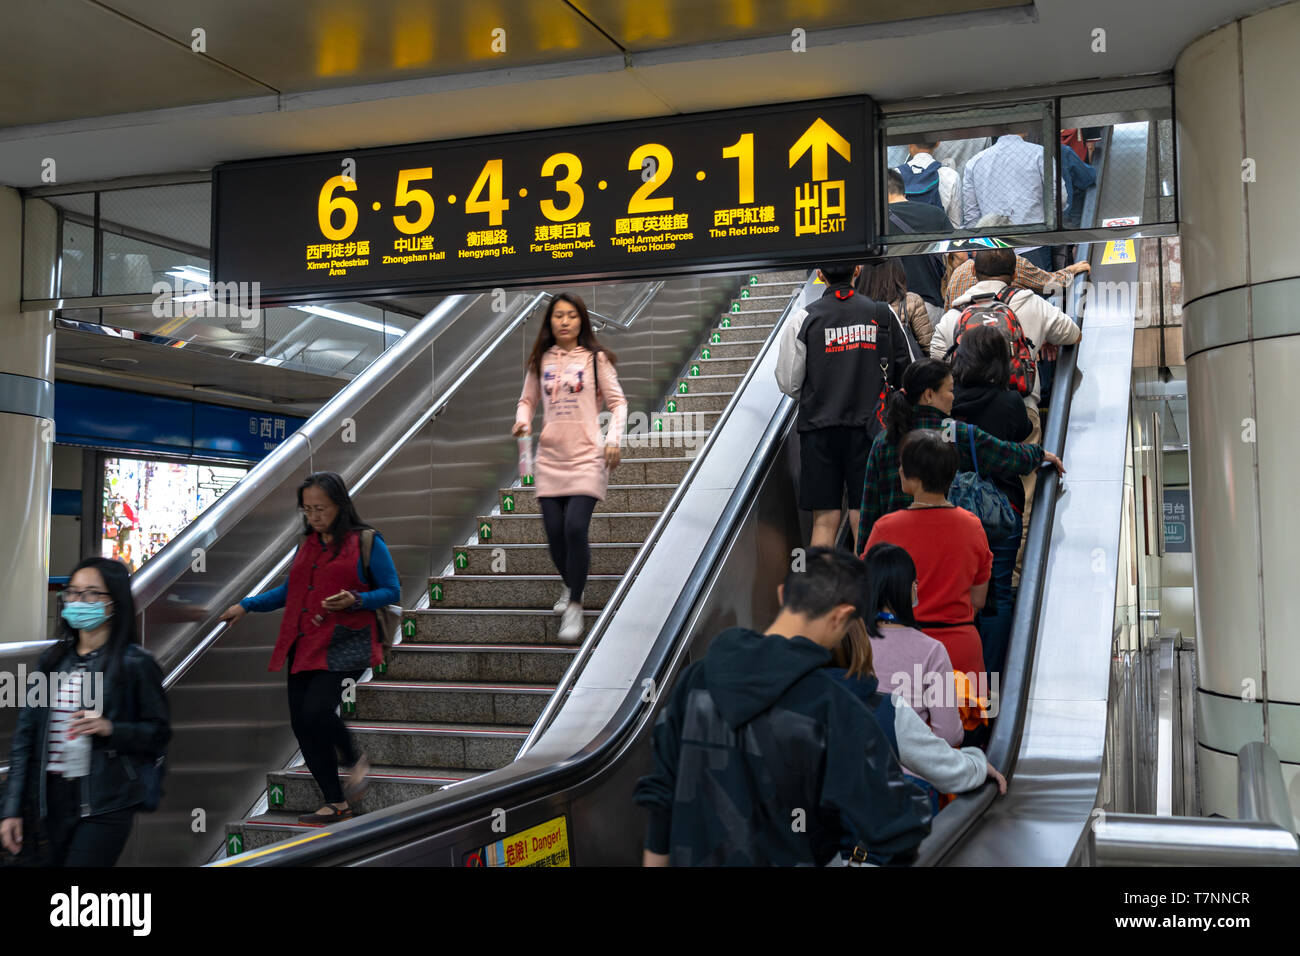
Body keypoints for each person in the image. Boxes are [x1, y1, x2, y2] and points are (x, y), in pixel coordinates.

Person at [633, 548, 932, 866]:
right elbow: (893, 823)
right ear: (842, 616)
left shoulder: (695, 681)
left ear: (782, 595)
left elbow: (662, 795)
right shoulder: (834, 708)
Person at [219, 472, 400, 825]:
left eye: (321, 508)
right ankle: (335, 802)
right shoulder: (308, 546)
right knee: (302, 724)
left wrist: (356, 598)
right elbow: (290, 593)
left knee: (317, 712)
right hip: (302, 645)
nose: (314, 517)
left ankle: (353, 758)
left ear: (340, 505)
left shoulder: (366, 541)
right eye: (308, 510)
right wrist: (246, 605)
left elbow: (392, 590)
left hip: (343, 644)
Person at [1, 558, 170, 866]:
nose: (80, 601)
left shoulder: (135, 664)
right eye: (74, 593)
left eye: (92, 593)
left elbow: (158, 734)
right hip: (48, 803)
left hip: (105, 803)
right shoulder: (51, 661)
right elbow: (24, 739)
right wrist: (10, 808)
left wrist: (111, 729)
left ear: (114, 603)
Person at [932, 249, 1082, 574]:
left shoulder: (954, 315)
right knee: (1023, 493)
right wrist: (1039, 343)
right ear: (1015, 274)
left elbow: (935, 362)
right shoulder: (1030, 303)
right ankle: (1015, 576)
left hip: (959, 419)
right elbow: (1072, 333)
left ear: (974, 274)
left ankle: (966, 568)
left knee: (960, 488)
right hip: (1019, 411)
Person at [512, 293, 627, 643]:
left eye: (571, 315)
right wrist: (522, 421)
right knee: (554, 532)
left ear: (582, 321)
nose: (564, 321)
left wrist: (614, 439)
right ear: (549, 322)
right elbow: (528, 400)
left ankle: (576, 604)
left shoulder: (597, 359)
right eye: (558, 316)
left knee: (575, 528)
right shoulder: (541, 359)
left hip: (588, 456)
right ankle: (569, 582)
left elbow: (618, 402)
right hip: (550, 459)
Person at [776, 263, 912, 550]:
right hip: (871, 430)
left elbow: (788, 382)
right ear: (858, 271)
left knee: (824, 521)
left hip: (819, 431)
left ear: (821, 275)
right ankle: (867, 591)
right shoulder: (882, 313)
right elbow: (907, 372)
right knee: (864, 517)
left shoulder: (805, 318)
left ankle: (822, 594)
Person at [857, 358, 1062, 545]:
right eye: (950, 390)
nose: (954, 397)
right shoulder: (952, 432)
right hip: (943, 545)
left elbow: (869, 508)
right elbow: (1004, 455)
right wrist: (1039, 454)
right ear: (929, 395)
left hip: (895, 549)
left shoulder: (884, 440)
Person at [827, 610, 1007, 811]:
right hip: (895, 798)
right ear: (862, 648)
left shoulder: (793, 700)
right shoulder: (886, 709)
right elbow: (945, 747)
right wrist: (978, 766)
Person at [863, 431, 991, 684]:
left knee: (904, 723)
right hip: (962, 653)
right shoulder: (973, 526)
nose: (899, 470)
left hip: (902, 654)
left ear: (913, 479)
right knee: (965, 722)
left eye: (903, 465)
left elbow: (865, 591)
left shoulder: (886, 528)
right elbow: (979, 600)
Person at [949, 326, 1034, 678]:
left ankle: (960, 686)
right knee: (997, 594)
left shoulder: (948, 400)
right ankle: (992, 689)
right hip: (1001, 511)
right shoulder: (1009, 402)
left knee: (959, 593)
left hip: (954, 512)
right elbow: (1022, 436)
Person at [858, 542, 963, 746]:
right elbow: (950, 735)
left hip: (856, 770)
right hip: (911, 773)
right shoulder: (932, 650)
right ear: (910, 589)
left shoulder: (848, 643)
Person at [961, 132, 1067, 238]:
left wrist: (978, 241)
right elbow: (1059, 197)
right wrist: (1046, 223)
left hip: (991, 243)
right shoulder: (1039, 154)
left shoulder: (975, 162)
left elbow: (971, 215)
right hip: (1034, 240)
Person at [884, 168, 949, 328]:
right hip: (931, 305)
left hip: (890, 309)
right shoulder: (935, 214)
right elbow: (959, 257)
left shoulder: (876, 222)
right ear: (901, 188)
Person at [943, 249, 1089, 311]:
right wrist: (1071, 270)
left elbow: (948, 314)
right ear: (1013, 275)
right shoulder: (1014, 262)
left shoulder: (958, 272)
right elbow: (1050, 283)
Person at [856, 256, 932, 354]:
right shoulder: (911, 301)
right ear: (898, 272)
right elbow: (928, 346)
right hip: (905, 366)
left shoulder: (857, 305)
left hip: (870, 366)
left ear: (865, 276)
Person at [895, 142, 963, 228]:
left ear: (910, 143)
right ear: (937, 143)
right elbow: (956, 224)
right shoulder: (950, 175)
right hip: (937, 238)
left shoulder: (895, 175)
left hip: (903, 238)